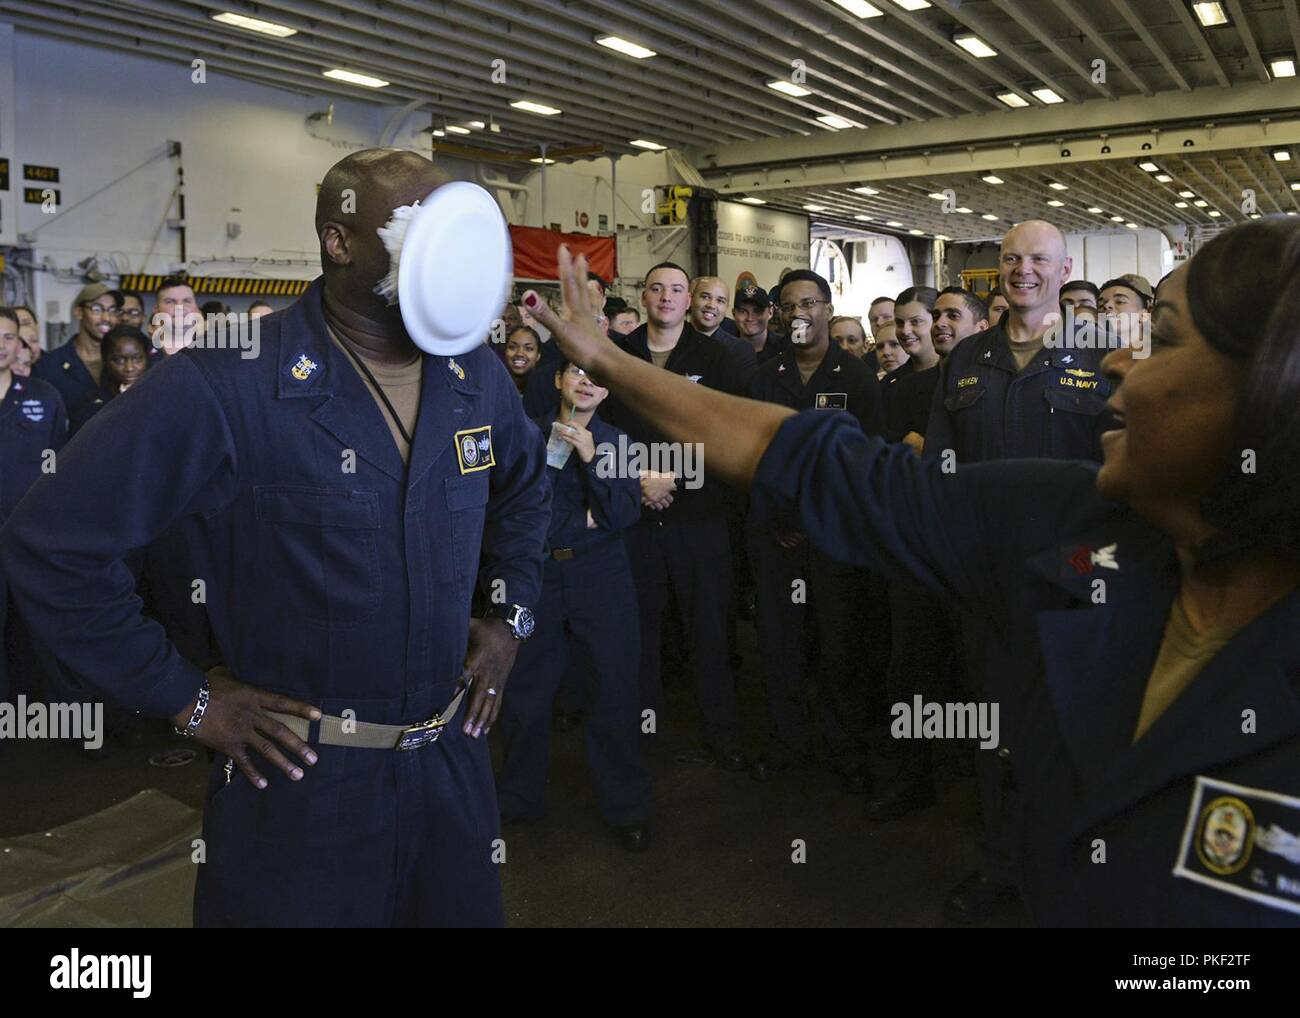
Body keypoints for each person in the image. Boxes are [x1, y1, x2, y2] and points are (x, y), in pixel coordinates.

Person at [526, 219, 1300, 927]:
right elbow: (806, 457)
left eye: (1162, 341)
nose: (1120, 362)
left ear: (1269, 395)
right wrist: (609, 362)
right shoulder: (1063, 523)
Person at [1, 148, 550, 928]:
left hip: (450, 769)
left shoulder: (474, 375)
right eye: (421, 230)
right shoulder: (227, 381)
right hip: (301, 785)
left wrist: (508, 617)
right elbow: (51, 543)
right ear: (339, 241)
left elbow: (528, 489)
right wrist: (184, 699)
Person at [495, 358, 652, 850]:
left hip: (600, 575)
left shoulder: (617, 443)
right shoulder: (526, 434)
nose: (586, 383)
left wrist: (591, 458)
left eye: (597, 378)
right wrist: (584, 518)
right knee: (525, 692)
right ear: (559, 380)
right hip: (538, 575)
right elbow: (514, 511)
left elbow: (623, 514)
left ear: (606, 393)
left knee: (614, 688)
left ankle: (626, 806)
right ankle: (519, 798)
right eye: (577, 374)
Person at [603, 261, 747, 770]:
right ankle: (642, 733)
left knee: (709, 630)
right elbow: (601, 431)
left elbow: (730, 434)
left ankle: (722, 734)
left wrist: (674, 477)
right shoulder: (616, 356)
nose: (666, 296)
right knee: (638, 633)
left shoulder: (719, 358)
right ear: (642, 297)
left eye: (677, 290)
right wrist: (638, 479)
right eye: (656, 287)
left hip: (699, 521)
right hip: (634, 519)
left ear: (691, 301)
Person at [746, 270, 883, 790]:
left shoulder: (856, 378)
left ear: (828, 308)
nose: (798, 313)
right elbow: (751, 454)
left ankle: (843, 746)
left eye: (809, 303)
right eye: (788, 305)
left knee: (839, 644)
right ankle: (788, 743)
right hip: (776, 539)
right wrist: (779, 518)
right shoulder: (763, 377)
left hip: (834, 540)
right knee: (780, 646)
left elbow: (869, 461)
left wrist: (817, 518)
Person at [0, 307, 67, 703]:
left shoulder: (44, 395)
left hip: (29, 537)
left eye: (8, 337)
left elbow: (60, 465)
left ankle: (41, 713)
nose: (1, 346)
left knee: (36, 628)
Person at [32, 283, 117, 411]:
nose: (107, 318)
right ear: (78, 312)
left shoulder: (124, 364)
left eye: (112, 310)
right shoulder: (48, 367)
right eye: (97, 309)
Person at [69, 325, 149, 434]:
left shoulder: (159, 400)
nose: (129, 368)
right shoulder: (90, 408)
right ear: (106, 361)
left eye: (137, 359)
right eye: (119, 360)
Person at [733, 283, 783, 366]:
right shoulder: (723, 349)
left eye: (757, 311)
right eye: (743, 311)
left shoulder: (785, 348)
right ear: (734, 314)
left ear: (770, 312)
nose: (750, 318)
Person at [504, 325, 542, 396]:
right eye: (512, 347)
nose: (519, 353)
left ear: (538, 355)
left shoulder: (546, 391)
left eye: (528, 348)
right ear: (505, 351)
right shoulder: (493, 386)